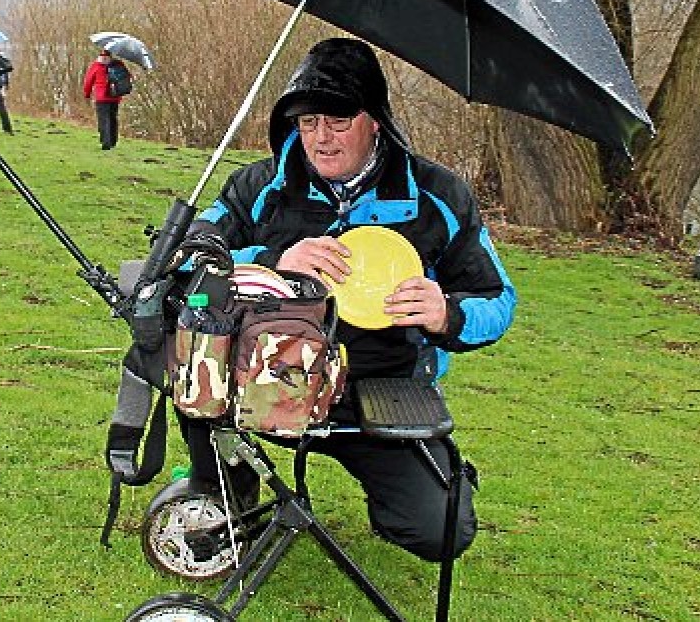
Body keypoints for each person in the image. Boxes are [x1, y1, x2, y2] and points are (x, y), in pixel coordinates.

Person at [179, 37, 517, 562]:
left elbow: (497, 300)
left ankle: (417, 490)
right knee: (183, 356)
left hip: (380, 391)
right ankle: (230, 488)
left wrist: (447, 313)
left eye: (338, 121)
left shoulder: (438, 195)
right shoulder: (259, 185)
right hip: (264, 378)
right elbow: (187, 257)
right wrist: (273, 260)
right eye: (308, 122)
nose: (321, 138)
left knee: (441, 532)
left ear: (375, 121)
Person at [82, 48, 129, 150]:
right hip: (115, 97)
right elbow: (127, 77)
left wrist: (87, 94)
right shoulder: (118, 64)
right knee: (113, 119)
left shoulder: (96, 66)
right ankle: (113, 141)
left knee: (103, 120)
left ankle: (105, 142)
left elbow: (88, 81)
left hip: (101, 98)